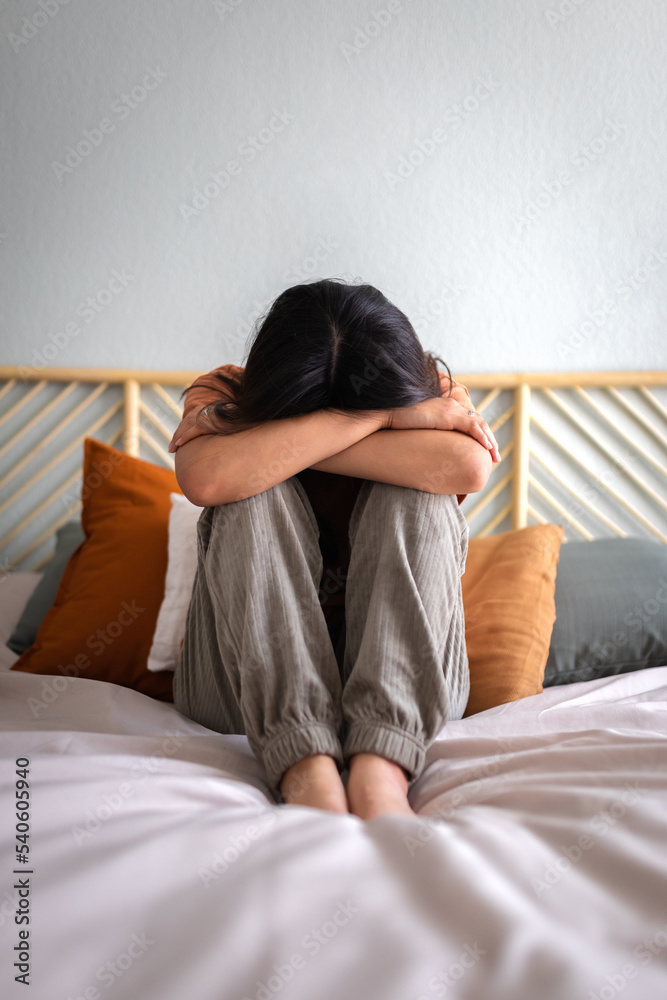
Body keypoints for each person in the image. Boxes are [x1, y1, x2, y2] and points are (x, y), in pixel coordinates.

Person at [168, 278, 500, 820]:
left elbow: (467, 468)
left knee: (418, 497)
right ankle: (304, 763)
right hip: (239, 687)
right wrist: (382, 418)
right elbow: (206, 482)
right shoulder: (228, 389)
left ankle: (381, 764)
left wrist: (285, 444)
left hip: (407, 687)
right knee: (249, 497)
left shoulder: (429, 387)